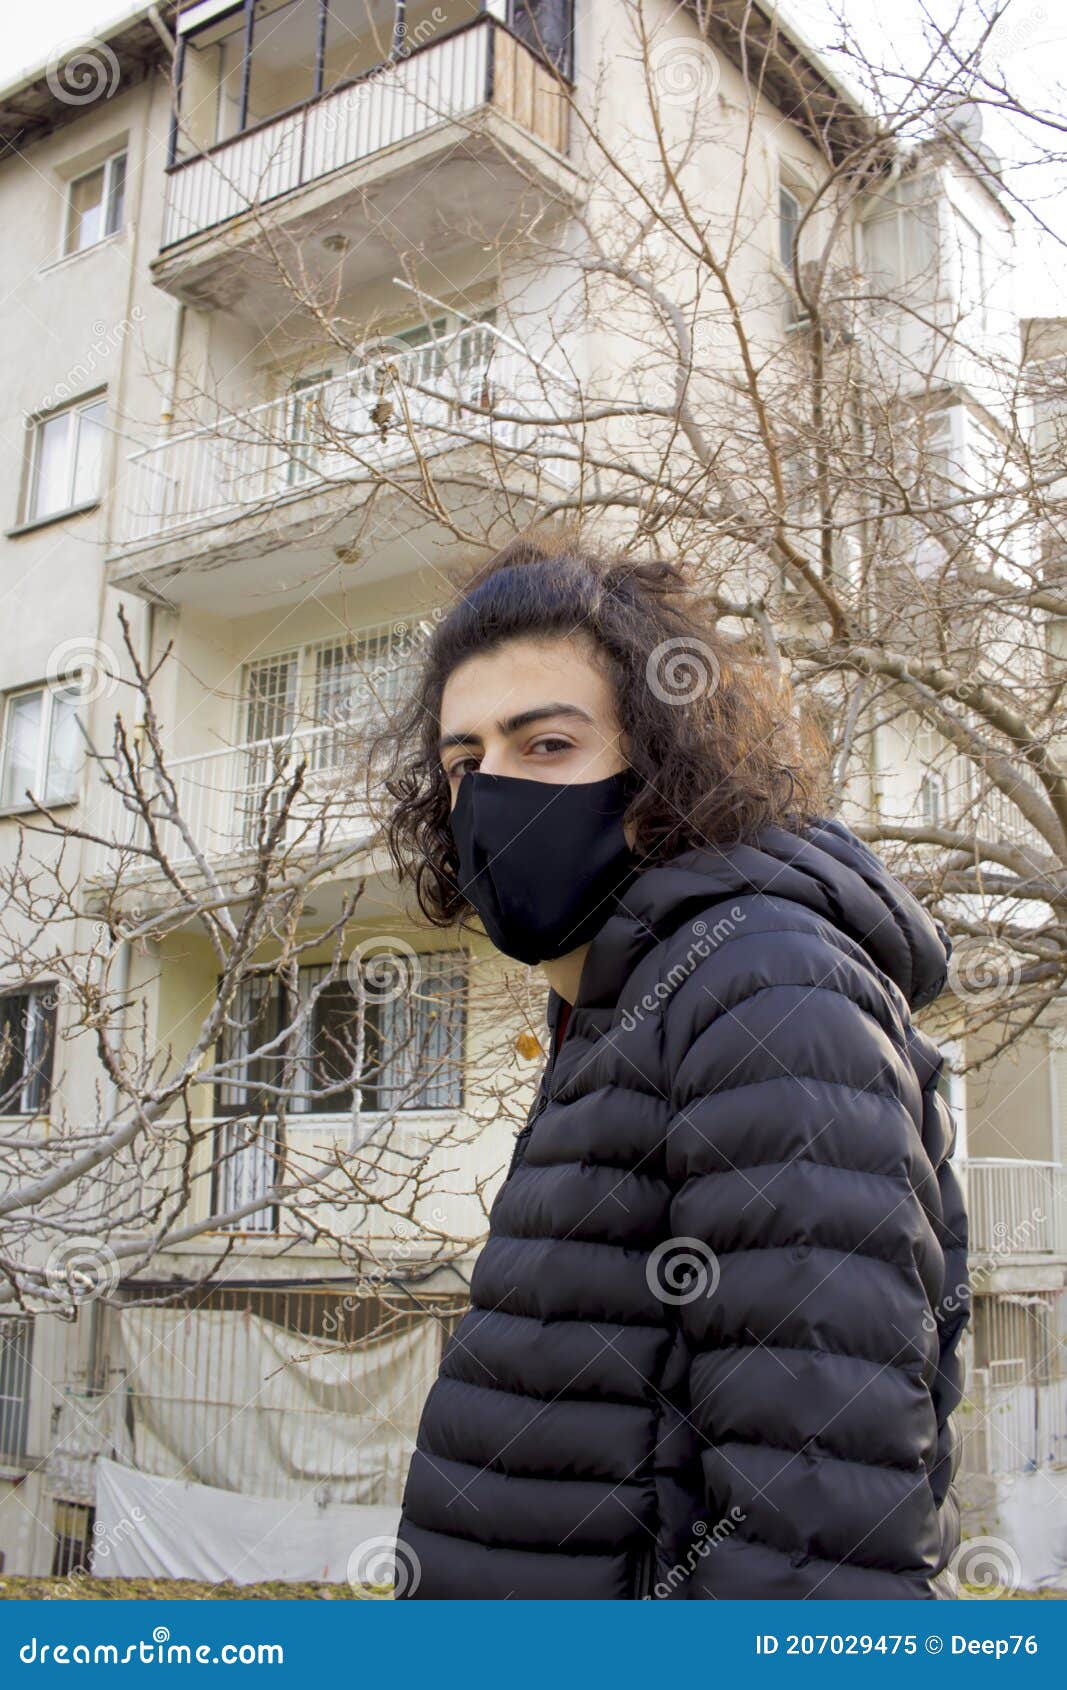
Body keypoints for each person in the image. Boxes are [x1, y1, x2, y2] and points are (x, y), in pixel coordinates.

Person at [376, 536, 969, 1600]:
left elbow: (814, 1532)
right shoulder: (621, 1000)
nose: (489, 795)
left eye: (546, 744)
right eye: (464, 764)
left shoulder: (765, 985)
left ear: (660, 764)